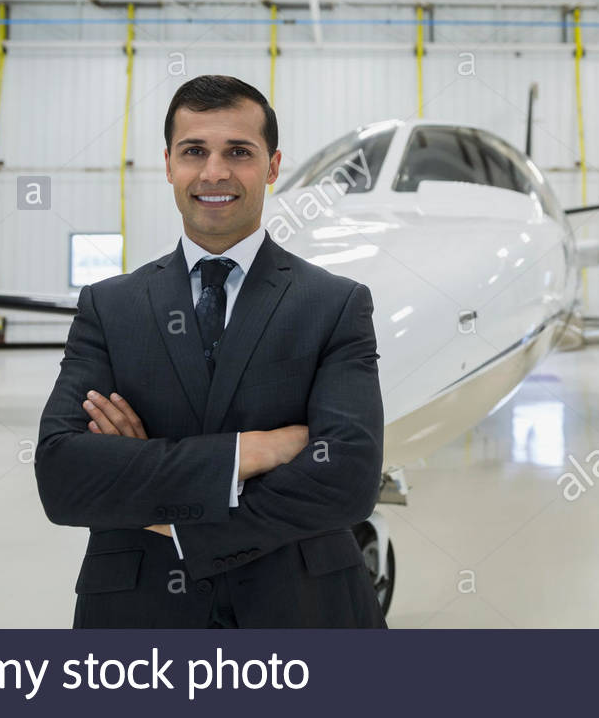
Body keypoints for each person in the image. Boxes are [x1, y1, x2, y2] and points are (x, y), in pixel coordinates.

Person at [35, 74, 386, 628]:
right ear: (169, 164)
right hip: (139, 613)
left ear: (272, 167)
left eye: (238, 152)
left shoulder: (335, 304)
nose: (214, 172)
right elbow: (64, 477)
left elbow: (349, 478)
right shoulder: (109, 306)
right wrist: (249, 453)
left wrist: (168, 509)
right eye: (194, 151)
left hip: (303, 609)